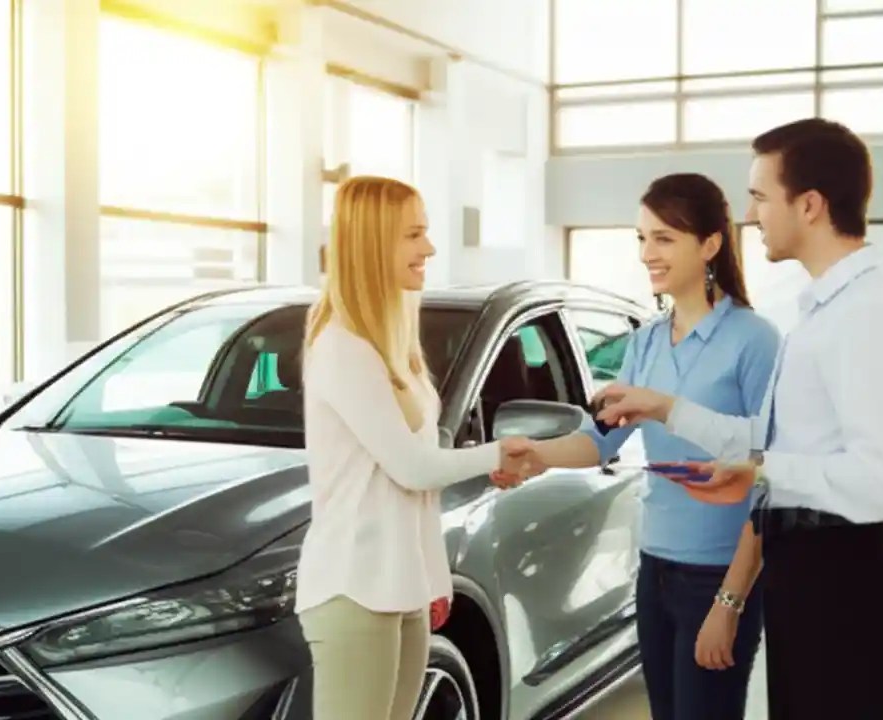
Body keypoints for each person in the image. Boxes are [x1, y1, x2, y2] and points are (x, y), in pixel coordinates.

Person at [594, 119, 883, 719]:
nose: (749, 217)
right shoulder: (823, 310)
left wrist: (761, 470)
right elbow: (771, 439)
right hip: (807, 575)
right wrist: (666, 408)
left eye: (760, 197)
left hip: (844, 583)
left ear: (810, 205)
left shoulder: (865, 314)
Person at [495, 173, 782, 720]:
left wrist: (730, 601)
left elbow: (771, 479)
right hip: (654, 571)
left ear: (710, 245)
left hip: (720, 575)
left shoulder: (755, 340)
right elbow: (600, 440)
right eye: (642, 238)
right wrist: (536, 455)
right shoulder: (647, 339)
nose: (647, 253)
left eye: (664, 239)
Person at [296, 176, 534, 720]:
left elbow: (416, 490)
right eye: (414, 234)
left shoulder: (394, 346)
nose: (429, 248)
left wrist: (432, 577)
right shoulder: (341, 347)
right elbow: (413, 468)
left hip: (399, 589)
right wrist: (497, 454)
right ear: (373, 243)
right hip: (353, 590)